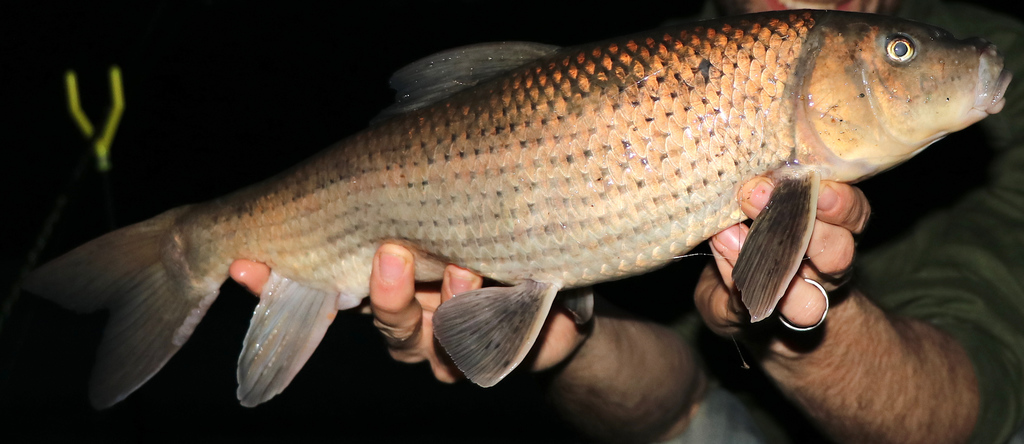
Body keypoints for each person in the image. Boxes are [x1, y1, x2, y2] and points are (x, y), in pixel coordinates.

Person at [229, 0, 1024, 442]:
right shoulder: (679, 47)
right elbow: (674, 405)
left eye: (897, 49)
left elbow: (978, 411)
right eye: (897, 52)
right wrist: (566, 344)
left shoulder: (1003, 63)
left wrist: (798, 329)